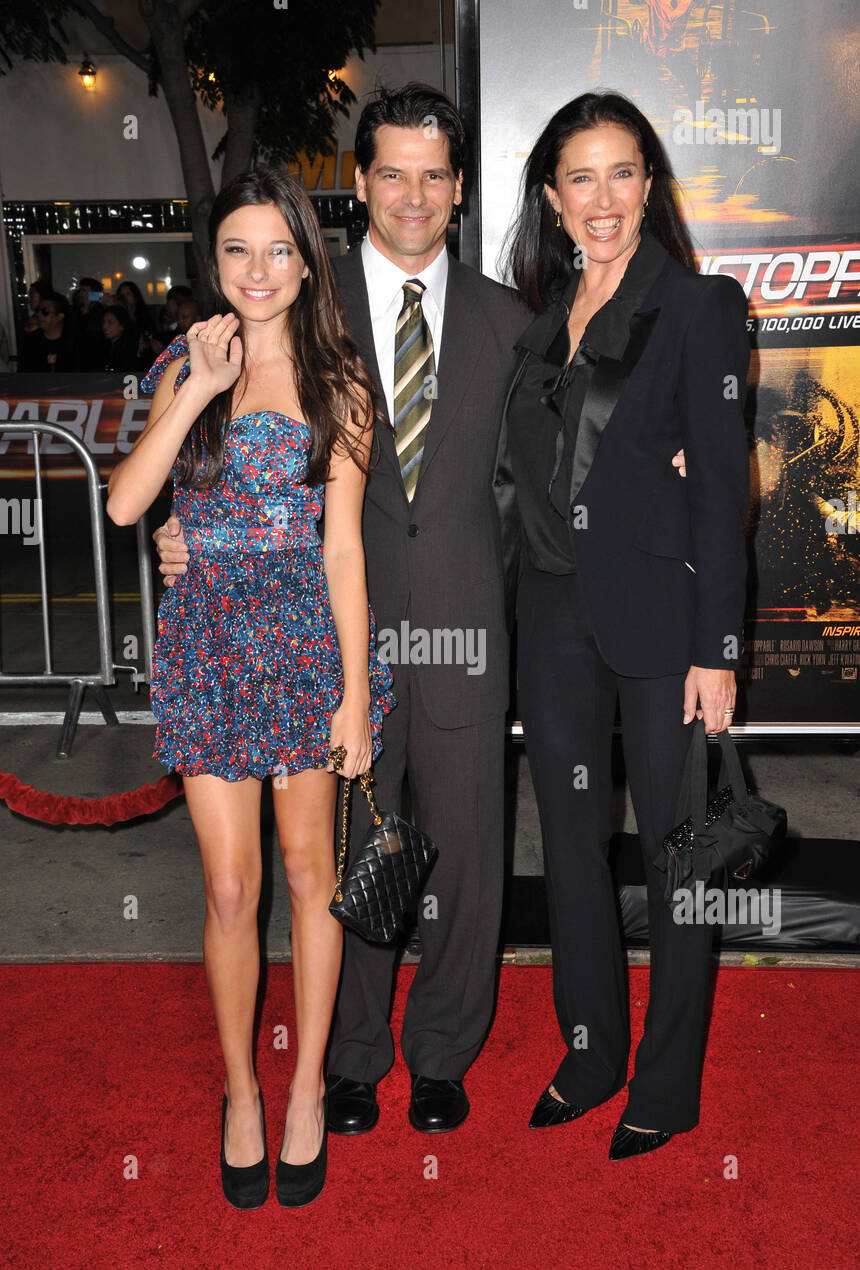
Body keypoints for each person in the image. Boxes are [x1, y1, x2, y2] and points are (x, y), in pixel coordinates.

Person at [155, 84, 534, 1137]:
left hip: (462, 628)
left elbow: (553, 472)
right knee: (354, 851)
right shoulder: (307, 317)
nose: (411, 195)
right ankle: (352, 1056)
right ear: (358, 182)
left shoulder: (511, 323)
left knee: (461, 845)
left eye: (433, 175)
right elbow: (211, 461)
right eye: (391, 172)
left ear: (459, 191)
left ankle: (445, 1051)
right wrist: (181, 530)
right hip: (326, 636)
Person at [107, 167, 395, 1208]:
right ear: (213, 260)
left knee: (311, 876)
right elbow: (129, 503)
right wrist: (196, 390)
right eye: (237, 249)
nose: (258, 270)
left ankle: (308, 1082)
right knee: (231, 889)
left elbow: (347, 552)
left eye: (279, 249)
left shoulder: (342, 379)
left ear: (306, 258)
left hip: (305, 647)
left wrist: (356, 696)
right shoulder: (183, 360)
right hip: (207, 647)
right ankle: (241, 1091)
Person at [495, 91, 750, 1158]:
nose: (603, 199)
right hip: (550, 613)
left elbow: (723, 493)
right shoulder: (540, 318)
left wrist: (717, 650)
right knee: (572, 849)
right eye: (580, 178)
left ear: (650, 184)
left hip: (662, 622)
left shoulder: (699, 308)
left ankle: (667, 1079)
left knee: (677, 859)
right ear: (552, 199)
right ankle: (593, 1049)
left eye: (623, 172)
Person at [18, 291, 76, 372]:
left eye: (45, 311)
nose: (39, 314)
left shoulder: (74, 342)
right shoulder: (31, 341)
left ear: (60, 316)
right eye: (38, 310)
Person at [100, 303, 145, 371]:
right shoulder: (104, 346)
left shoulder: (129, 350)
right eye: (103, 322)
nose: (104, 326)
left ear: (122, 326)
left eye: (110, 322)